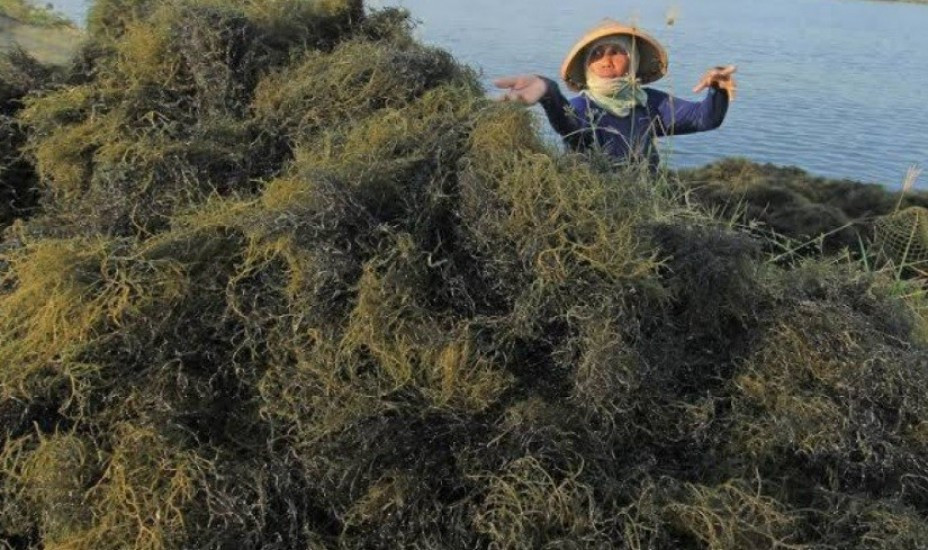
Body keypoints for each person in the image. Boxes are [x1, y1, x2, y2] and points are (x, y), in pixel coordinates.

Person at [494, 19, 736, 171]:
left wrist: (717, 88)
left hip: (643, 209)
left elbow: (705, 119)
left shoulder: (649, 103)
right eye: (597, 54)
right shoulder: (582, 106)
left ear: (633, 60)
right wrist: (548, 91)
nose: (606, 60)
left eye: (616, 52)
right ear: (587, 65)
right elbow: (570, 127)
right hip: (597, 211)